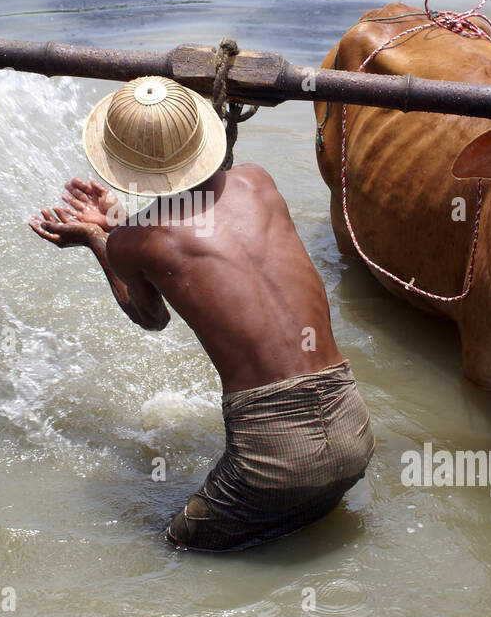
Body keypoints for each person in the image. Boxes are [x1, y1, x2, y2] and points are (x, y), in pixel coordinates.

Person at [29, 76, 375, 552]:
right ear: (201, 139)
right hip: (352, 426)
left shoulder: (137, 240)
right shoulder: (258, 181)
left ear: (120, 163)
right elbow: (209, 241)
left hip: (275, 453)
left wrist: (98, 239)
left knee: (173, 552)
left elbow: (152, 319)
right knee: (301, 524)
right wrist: (123, 231)